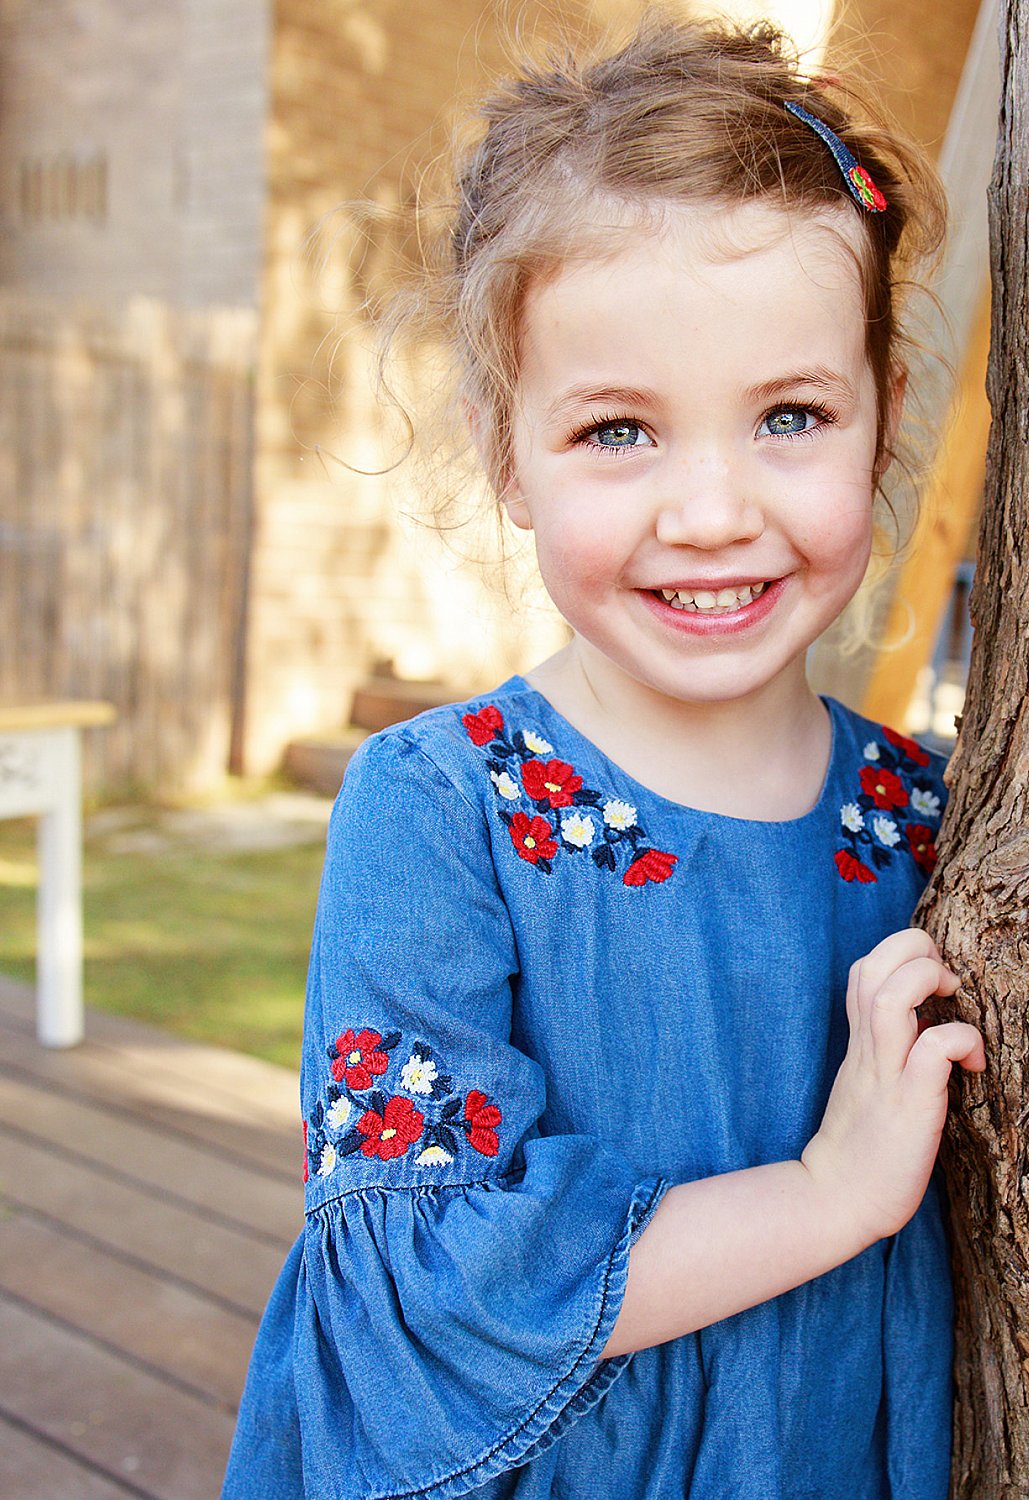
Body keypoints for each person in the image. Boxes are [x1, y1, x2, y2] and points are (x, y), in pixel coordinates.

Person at [223, 15, 985, 1499]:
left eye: (790, 415)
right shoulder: (436, 810)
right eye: (620, 431)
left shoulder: (933, 812)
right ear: (504, 450)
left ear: (884, 418)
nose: (711, 513)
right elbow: (431, 1283)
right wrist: (828, 1194)